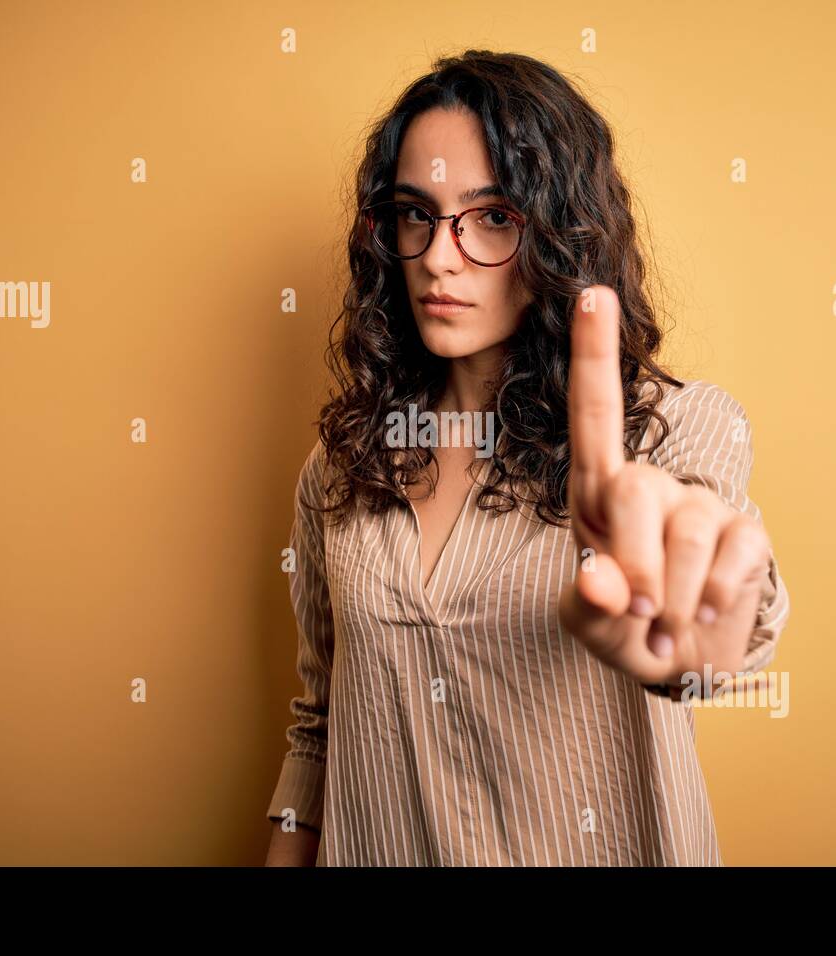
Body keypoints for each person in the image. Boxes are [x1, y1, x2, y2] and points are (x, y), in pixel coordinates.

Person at [265, 50, 790, 866]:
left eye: (494, 217)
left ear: (559, 231)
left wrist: (696, 631)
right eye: (416, 213)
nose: (441, 256)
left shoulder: (671, 431)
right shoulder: (339, 470)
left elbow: (716, 574)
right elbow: (319, 728)